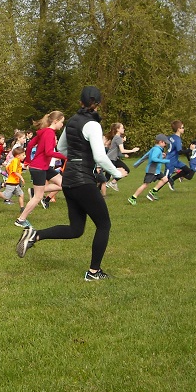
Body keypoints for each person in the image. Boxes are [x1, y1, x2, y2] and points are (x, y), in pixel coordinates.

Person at [16, 86, 126, 281]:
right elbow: (100, 156)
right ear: (98, 105)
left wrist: (77, 158)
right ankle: (94, 273)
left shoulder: (73, 122)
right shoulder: (92, 124)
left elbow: (62, 148)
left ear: (80, 103)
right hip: (83, 180)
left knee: (76, 229)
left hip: (68, 181)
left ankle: (34, 235)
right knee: (104, 224)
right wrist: (115, 172)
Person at [15, 111, 66, 228]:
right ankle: (21, 219)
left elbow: (30, 146)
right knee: (38, 197)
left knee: (64, 184)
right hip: (39, 168)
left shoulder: (44, 132)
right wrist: (64, 156)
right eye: (62, 122)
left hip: (43, 166)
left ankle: (35, 191)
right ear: (55, 121)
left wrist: (28, 160)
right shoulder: (49, 133)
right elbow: (48, 152)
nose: (62, 125)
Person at [127, 135, 171, 204]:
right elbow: (153, 159)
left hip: (157, 170)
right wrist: (165, 161)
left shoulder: (156, 149)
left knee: (165, 179)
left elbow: (146, 156)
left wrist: (161, 156)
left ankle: (153, 192)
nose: (165, 145)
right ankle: (133, 198)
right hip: (152, 170)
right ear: (160, 142)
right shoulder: (157, 149)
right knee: (145, 185)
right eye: (165, 143)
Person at [104, 122, 139, 192]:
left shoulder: (117, 138)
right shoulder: (118, 138)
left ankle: (113, 183)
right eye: (122, 128)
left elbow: (116, 150)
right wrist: (132, 150)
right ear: (117, 129)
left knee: (126, 170)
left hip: (114, 159)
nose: (124, 129)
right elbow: (122, 150)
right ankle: (97, 192)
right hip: (111, 159)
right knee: (106, 178)